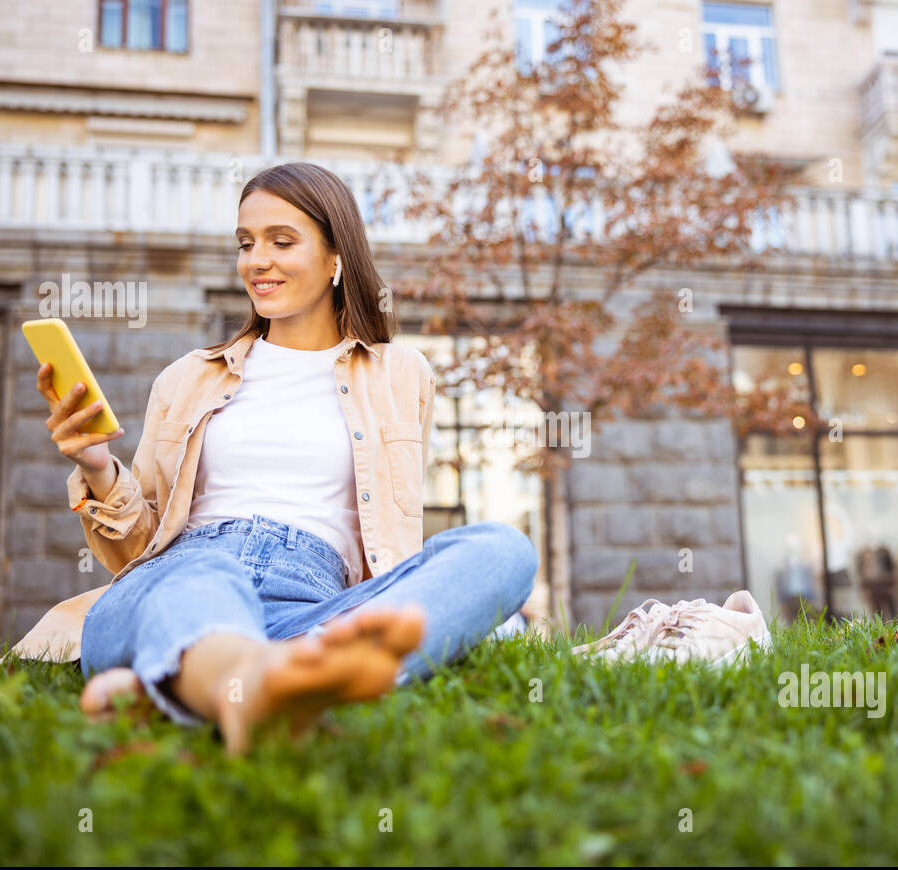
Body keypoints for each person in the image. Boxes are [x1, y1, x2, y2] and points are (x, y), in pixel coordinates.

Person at [33, 162, 538, 755]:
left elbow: (390, 534)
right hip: (180, 581)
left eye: (281, 241)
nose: (256, 261)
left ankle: (196, 683)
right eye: (246, 244)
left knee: (501, 551)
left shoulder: (402, 375)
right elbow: (134, 549)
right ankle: (264, 684)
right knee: (204, 575)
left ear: (335, 258)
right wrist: (97, 467)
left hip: (316, 603)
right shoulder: (187, 377)